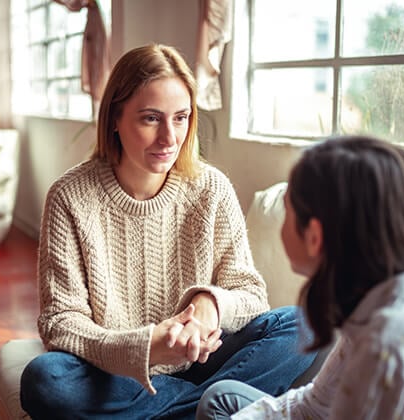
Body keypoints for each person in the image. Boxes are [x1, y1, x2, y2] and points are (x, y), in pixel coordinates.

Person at [19, 44, 317, 419]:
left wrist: (209, 306)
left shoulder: (211, 188)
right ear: (114, 118)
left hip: (205, 357)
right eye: (150, 119)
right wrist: (147, 348)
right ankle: (207, 406)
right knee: (45, 380)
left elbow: (251, 293)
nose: (170, 138)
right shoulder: (70, 196)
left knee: (303, 324)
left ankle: (182, 405)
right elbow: (61, 322)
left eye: (181, 118)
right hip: (118, 372)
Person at [196, 136, 404, 419]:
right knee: (222, 400)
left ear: (315, 235)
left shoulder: (389, 347)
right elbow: (316, 405)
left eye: (289, 210)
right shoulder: (381, 299)